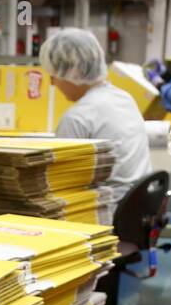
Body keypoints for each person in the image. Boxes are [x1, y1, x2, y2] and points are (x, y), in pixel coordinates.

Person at [40, 28, 153, 211]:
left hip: (107, 215)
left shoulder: (77, 118)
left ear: (73, 72)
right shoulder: (123, 97)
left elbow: (60, 185)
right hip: (139, 211)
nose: (52, 83)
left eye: (54, 76)